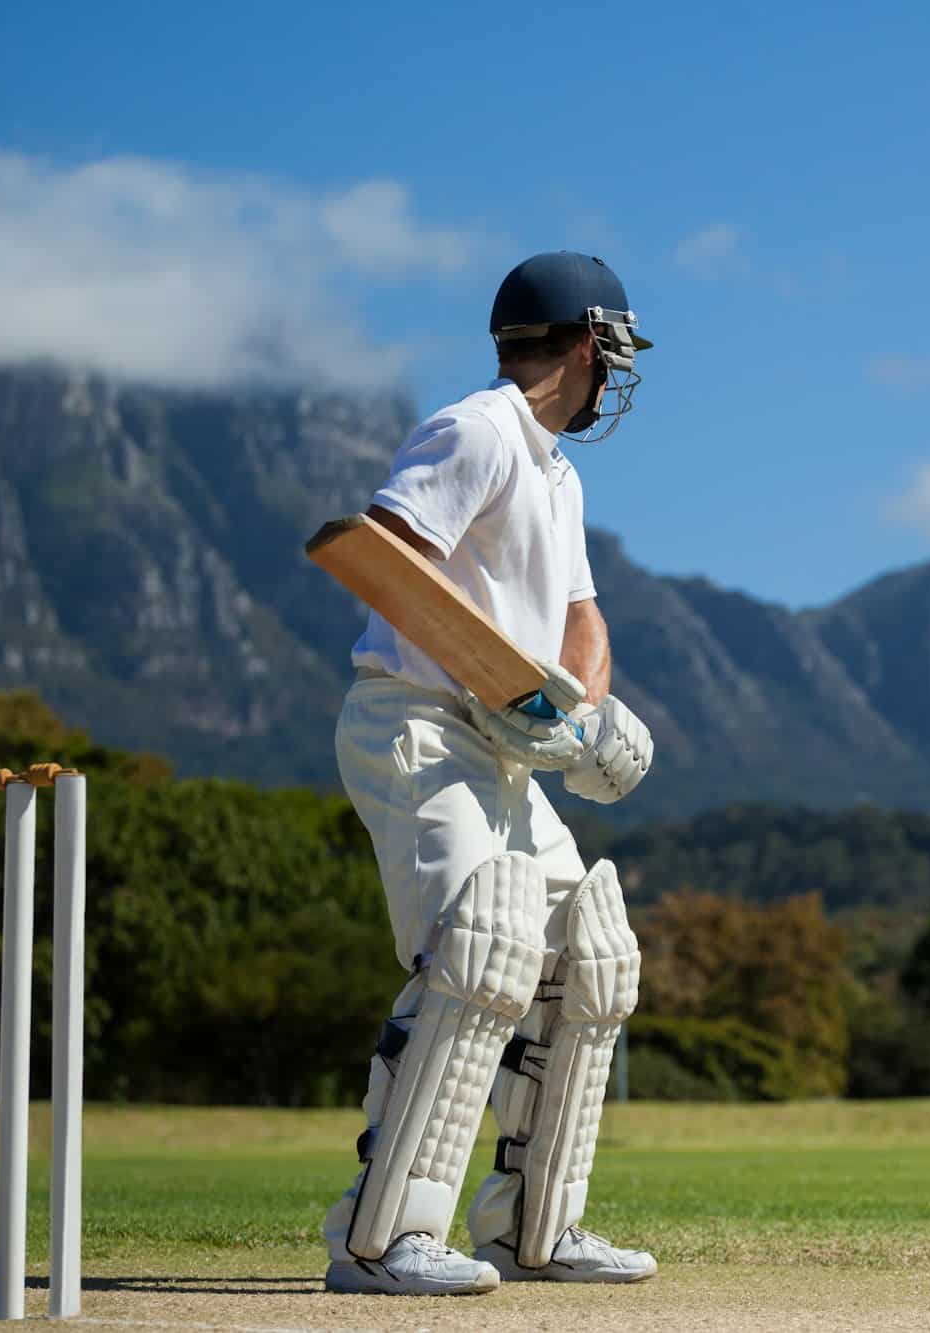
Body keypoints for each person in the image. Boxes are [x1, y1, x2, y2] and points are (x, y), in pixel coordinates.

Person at [321, 252, 660, 1296]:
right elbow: (384, 554)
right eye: (613, 351)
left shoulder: (557, 473)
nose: (617, 374)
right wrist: (492, 683)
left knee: (587, 958)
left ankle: (534, 1230)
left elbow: (578, 618)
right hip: (418, 724)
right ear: (583, 343)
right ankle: (382, 1240)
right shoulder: (476, 430)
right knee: (480, 949)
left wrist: (581, 716)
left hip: (504, 748)